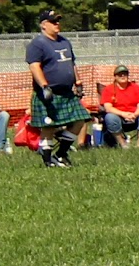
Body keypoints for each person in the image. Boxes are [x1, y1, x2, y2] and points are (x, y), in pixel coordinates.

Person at [26, 9, 92, 169]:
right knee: (49, 126)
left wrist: (78, 81)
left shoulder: (64, 42)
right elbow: (35, 67)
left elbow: (71, 63)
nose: (57, 24)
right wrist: (44, 86)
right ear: (43, 25)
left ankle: (61, 153)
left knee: (80, 120)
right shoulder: (37, 44)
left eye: (58, 21)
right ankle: (48, 160)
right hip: (49, 92)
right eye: (53, 22)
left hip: (66, 93)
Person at [99, 62, 139, 148]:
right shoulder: (108, 89)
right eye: (120, 74)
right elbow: (108, 108)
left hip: (134, 116)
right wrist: (123, 114)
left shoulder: (135, 87)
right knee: (110, 117)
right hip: (118, 117)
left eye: (125, 74)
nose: (123, 76)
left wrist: (135, 115)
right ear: (115, 77)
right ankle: (123, 144)